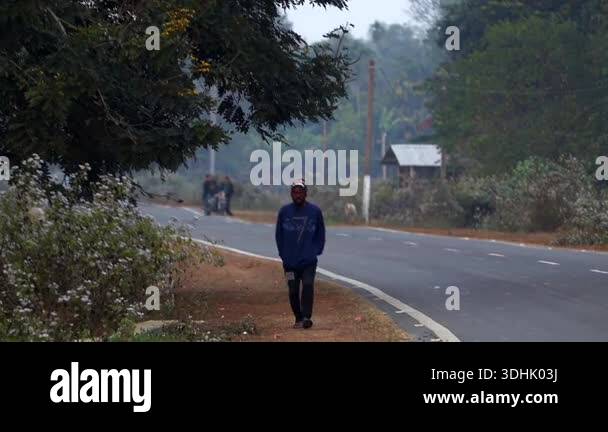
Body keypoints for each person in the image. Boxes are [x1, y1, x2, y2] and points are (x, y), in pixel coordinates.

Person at [275, 179, 326, 329]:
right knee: (293, 290)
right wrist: (283, 254)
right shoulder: (284, 212)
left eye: (300, 192)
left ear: (305, 193)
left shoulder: (315, 212)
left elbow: (320, 233)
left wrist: (316, 250)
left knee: (308, 285)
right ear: (291, 194)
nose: (297, 195)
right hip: (289, 262)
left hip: (308, 261)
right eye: (295, 192)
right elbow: (279, 235)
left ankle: (306, 316)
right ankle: (298, 317)